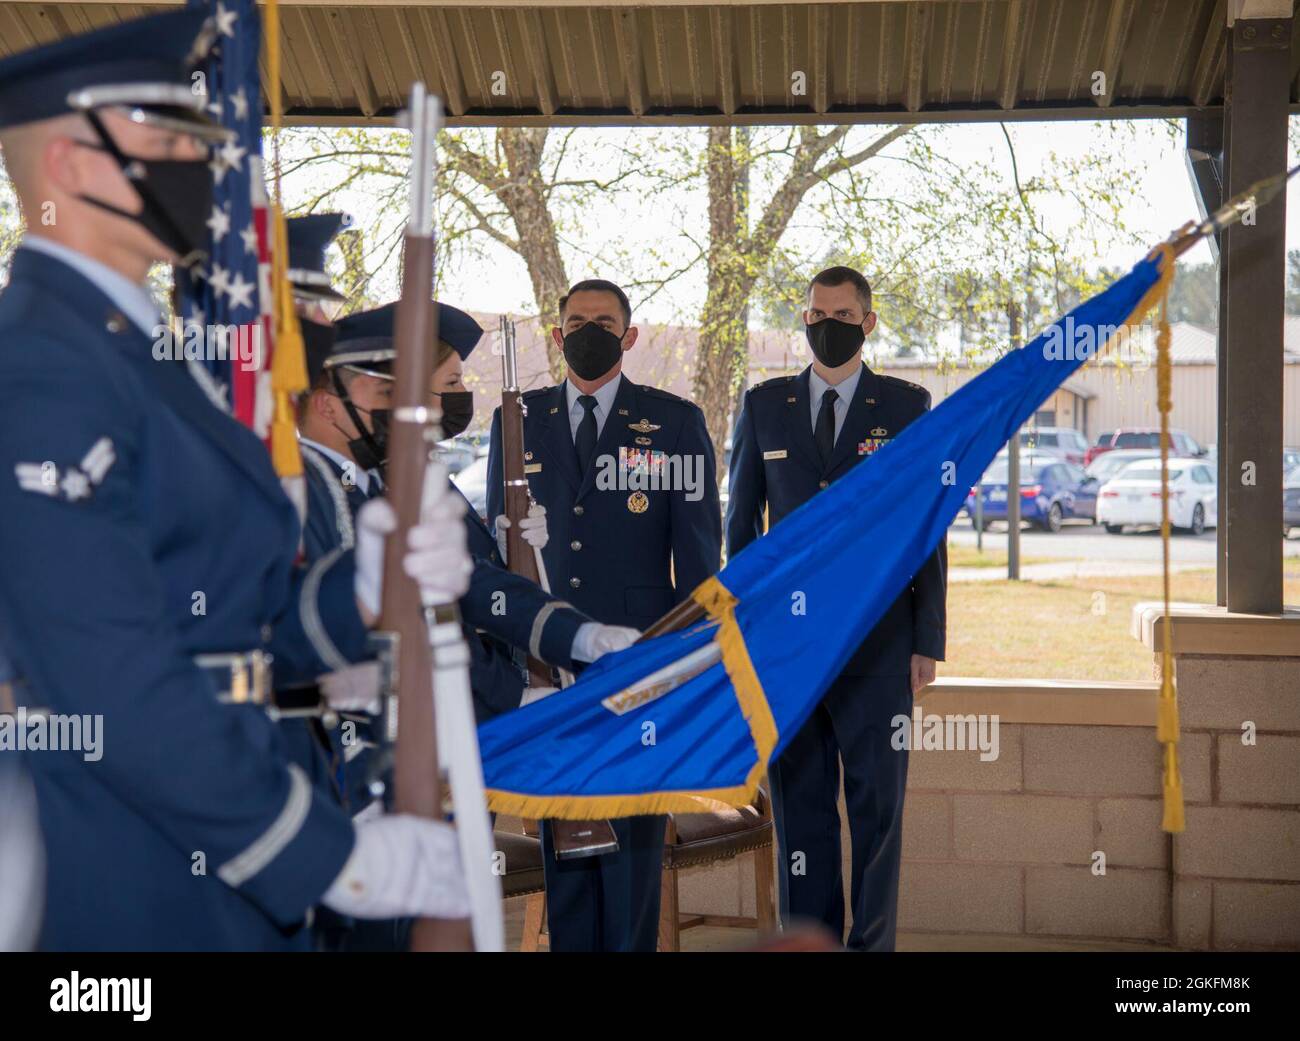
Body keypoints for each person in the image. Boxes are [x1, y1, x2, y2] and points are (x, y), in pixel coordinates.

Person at [0, 9, 476, 950]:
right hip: (122, 867)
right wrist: (328, 855)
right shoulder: (45, 367)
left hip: (211, 858)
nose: (199, 161)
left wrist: (360, 581)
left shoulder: (137, 355)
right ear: (67, 167)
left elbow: (226, 624)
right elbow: (108, 681)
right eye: (168, 135)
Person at [487, 278, 722, 952]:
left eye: (605, 320)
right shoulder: (519, 419)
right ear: (555, 335)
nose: (590, 331)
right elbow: (501, 556)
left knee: (628, 859)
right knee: (564, 849)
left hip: (638, 665)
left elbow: (700, 563)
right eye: (577, 321)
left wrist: (690, 666)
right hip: (547, 665)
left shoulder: (674, 423)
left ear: (630, 334)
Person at [726, 265, 947, 951]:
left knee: (880, 812)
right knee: (802, 812)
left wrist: (927, 639)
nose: (827, 326)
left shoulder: (908, 406)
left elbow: (926, 530)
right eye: (817, 314)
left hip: (879, 645)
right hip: (788, 651)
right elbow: (741, 529)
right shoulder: (764, 406)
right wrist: (743, 630)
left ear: (869, 323)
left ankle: (870, 944)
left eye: (843, 316)